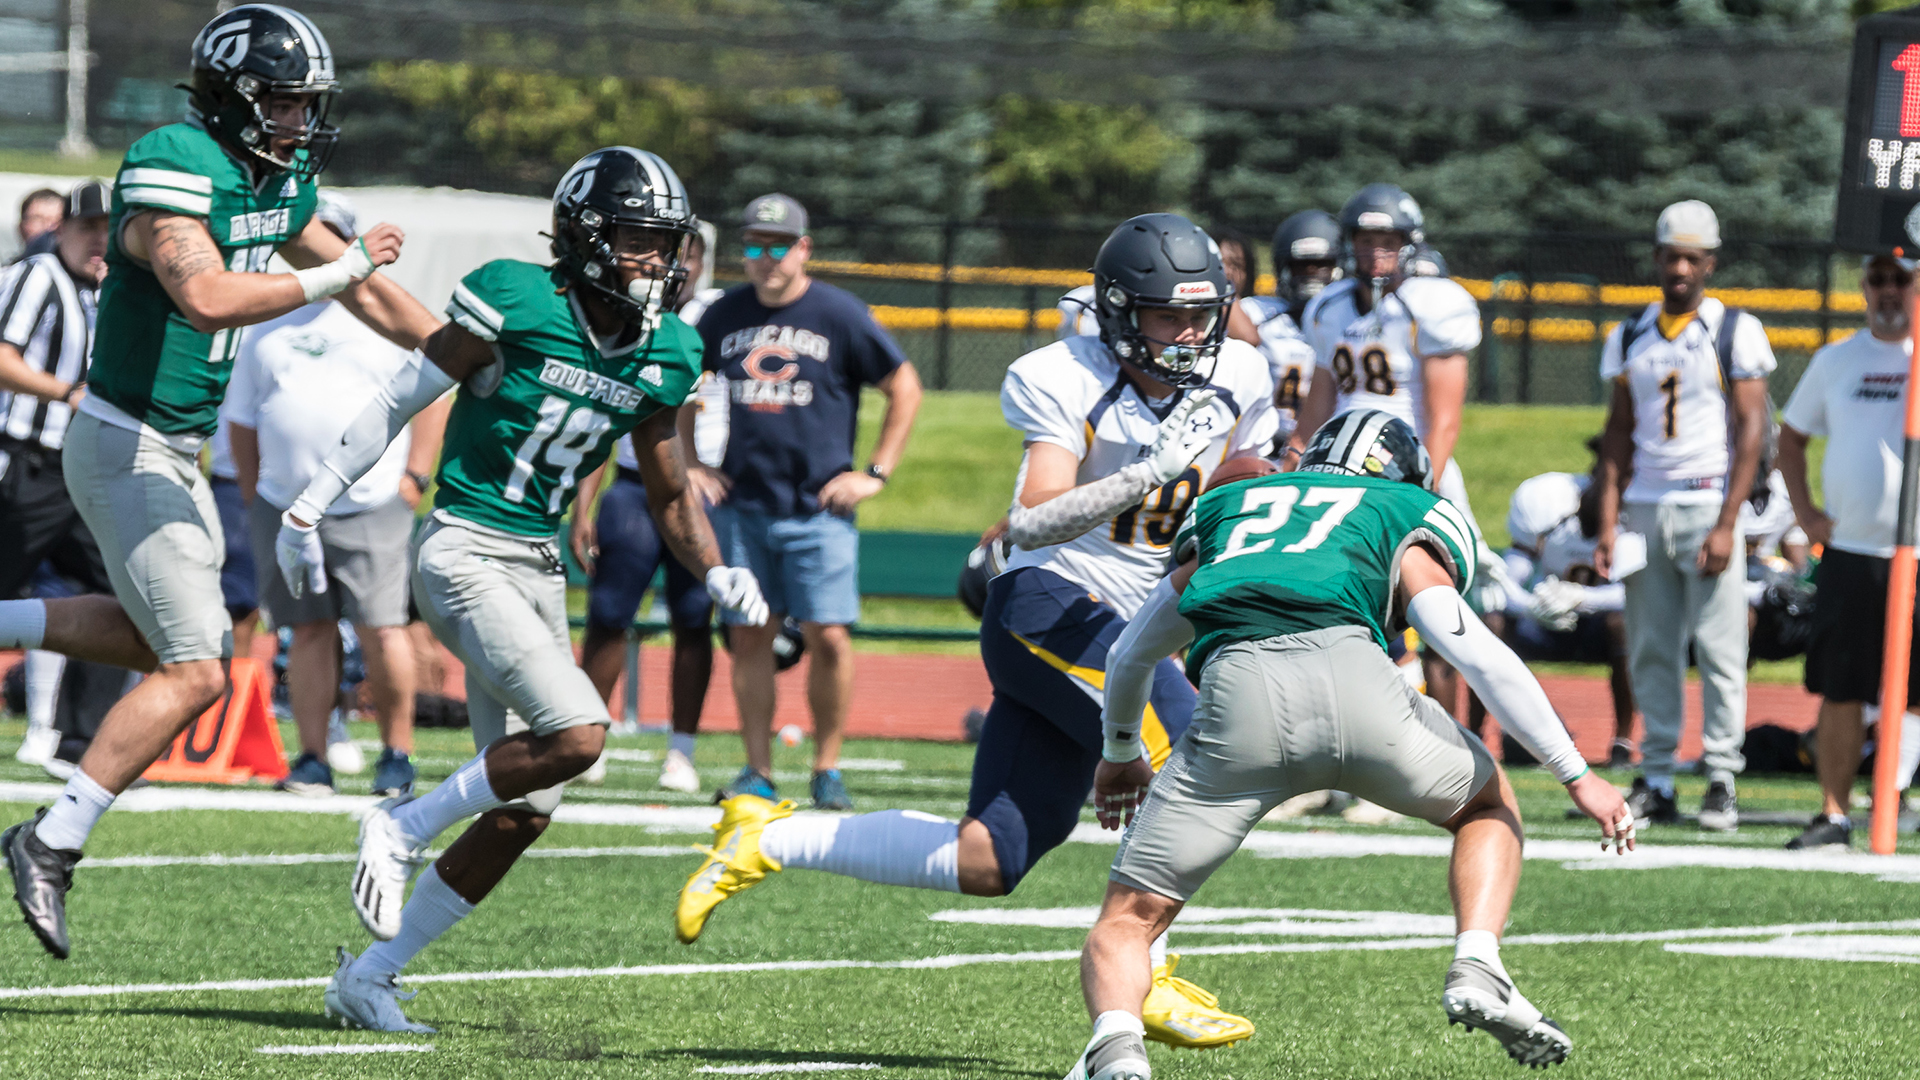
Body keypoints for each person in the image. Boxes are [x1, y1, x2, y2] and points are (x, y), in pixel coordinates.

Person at [676, 213, 1276, 1051]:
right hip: (1046, 609)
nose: (1188, 334)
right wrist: (1148, 472)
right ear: (1116, 311)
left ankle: (767, 835)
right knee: (1186, 749)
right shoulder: (1062, 374)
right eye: (1166, 315)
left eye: (1201, 314)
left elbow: (1247, 485)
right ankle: (1146, 970)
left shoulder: (1240, 371)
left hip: (1132, 628)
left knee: (989, 858)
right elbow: (1031, 520)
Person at [273, 147, 767, 1032]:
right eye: (638, 239)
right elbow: (397, 398)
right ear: (585, 235)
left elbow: (667, 489)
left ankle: (371, 977)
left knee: (526, 810)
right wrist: (311, 503)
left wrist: (717, 567)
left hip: (536, 564)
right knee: (580, 732)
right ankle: (400, 823)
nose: (658, 259)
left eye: (667, 243)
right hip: (462, 545)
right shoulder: (515, 297)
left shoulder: (668, 350)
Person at [0, 5, 441, 960]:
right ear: (234, 98)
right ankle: (52, 840)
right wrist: (339, 272)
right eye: (284, 102)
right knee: (198, 668)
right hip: (125, 442)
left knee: (161, 641)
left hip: (174, 448)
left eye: (307, 103)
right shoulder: (176, 160)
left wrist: (468, 351)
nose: (300, 121)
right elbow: (202, 297)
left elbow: (367, 290)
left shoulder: (272, 180)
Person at [1064, 410, 1633, 1080]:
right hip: (1364, 693)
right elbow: (1476, 653)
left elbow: (1130, 652)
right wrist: (1576, 775)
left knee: (1128, 921)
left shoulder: (1231, 509)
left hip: (1237, 707)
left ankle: (1118, 1047)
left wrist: (1120, 751)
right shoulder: (1397, 510)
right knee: (1486, 807)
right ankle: (1478, 962)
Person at [695, 192, 923, 811]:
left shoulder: (838, 313)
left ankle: (827, 768)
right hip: (743, 505)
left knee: (830, 637)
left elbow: (904, 385)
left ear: (804, 249)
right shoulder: (723, 314)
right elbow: (679, 383)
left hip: (820, 511)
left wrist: (875, 473)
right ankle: (757, 770)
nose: (766, 257)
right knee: (749, 637)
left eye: (779, 246)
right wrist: (691, 462)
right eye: (754, 245)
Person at [225, 192, 449, 798]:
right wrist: (255, 492)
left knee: (383, 628)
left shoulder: (383, 315)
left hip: (370, 500)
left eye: (327, 236)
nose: (312, 249)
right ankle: (312, 758)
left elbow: (439, 389)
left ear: (349, 244)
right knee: (307, 630)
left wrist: (414, 478)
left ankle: (396, 756)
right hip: (284, 504)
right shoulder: (266, 316)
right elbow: (242, 418)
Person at [1594, 200, 1773, 833]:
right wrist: (1609, 520)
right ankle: (1659, 775)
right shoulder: (1630, 333)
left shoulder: (1734, 329)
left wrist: (1728, 521)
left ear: (1709, 263)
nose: (1679, 269)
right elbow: (1618, 433)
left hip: (1706, 499)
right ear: (1656, 258)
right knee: (1650, 648)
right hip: (1646, 504)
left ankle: (1721, 775)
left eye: (1691, 259)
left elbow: (1751, 430)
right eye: (1671, 257)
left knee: (1721, 647)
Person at [1293, 184, 1493, 717]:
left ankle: (1449, 741)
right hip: (1341, 474)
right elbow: (1317, 406)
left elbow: (1443, 419)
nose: (1375, 251)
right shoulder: (1329, 307)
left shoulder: (1433, 304)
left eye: (1387, 239)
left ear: (1409, 243)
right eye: (1364, 239)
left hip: (1412, 472)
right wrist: (1294, 464)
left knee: (1441, 617)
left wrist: (1420, 491)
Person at [571, 224, 727, 792]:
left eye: (685, 257)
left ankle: (681, 751)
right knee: (609, 614)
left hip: (698, 491)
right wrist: (583, 506)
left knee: (693, 618)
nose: (673, 268)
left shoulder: (719, 319)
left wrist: (706, 467)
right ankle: (587, 739)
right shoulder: (624, 315)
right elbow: (600, 420)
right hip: (634, 487)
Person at [1776, 253, 1920, 850]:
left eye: (1901, 280)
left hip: (1919, 555)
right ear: (1863, 288)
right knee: (1842, 687)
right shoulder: (1836, 360)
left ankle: (1899, 796)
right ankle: (1834, 814)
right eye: (1877, 280)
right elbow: (1791, 438)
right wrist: (1807, 515)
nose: (1888, 291)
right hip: (1854, 553)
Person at [0, 181, 113, 771]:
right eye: (89, 227)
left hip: (83, 471)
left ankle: (81, 743)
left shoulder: (108, 291)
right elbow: (1, 358)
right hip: (25, 463)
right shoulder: (36, 276)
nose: (100, 240)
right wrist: (66, 393)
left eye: (110, 229)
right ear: (62, 228)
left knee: (117, 595)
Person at [1488, 453, 1636, 769]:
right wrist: (1532, 607)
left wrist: (1581, 598)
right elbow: (1505, 584)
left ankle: (1622, 745)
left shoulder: (1638, 517)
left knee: (1623, 624)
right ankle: (1474, 736)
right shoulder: (1548, 503)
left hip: (1599, 628)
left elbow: (1640, 596)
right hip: (1547, 623)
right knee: (1493, 623)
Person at [1238, 210, 1341, 453]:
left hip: (1332, 448)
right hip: (1268, 448)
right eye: (1301, 266)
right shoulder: (1260, 314)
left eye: (1321, 265)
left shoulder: (1350, 320)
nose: (1312, 274)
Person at [12, 188, 64, 262]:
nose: (48, 227)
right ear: (21, 227)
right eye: (38, 219)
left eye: (57, 220)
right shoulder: (12, 269)